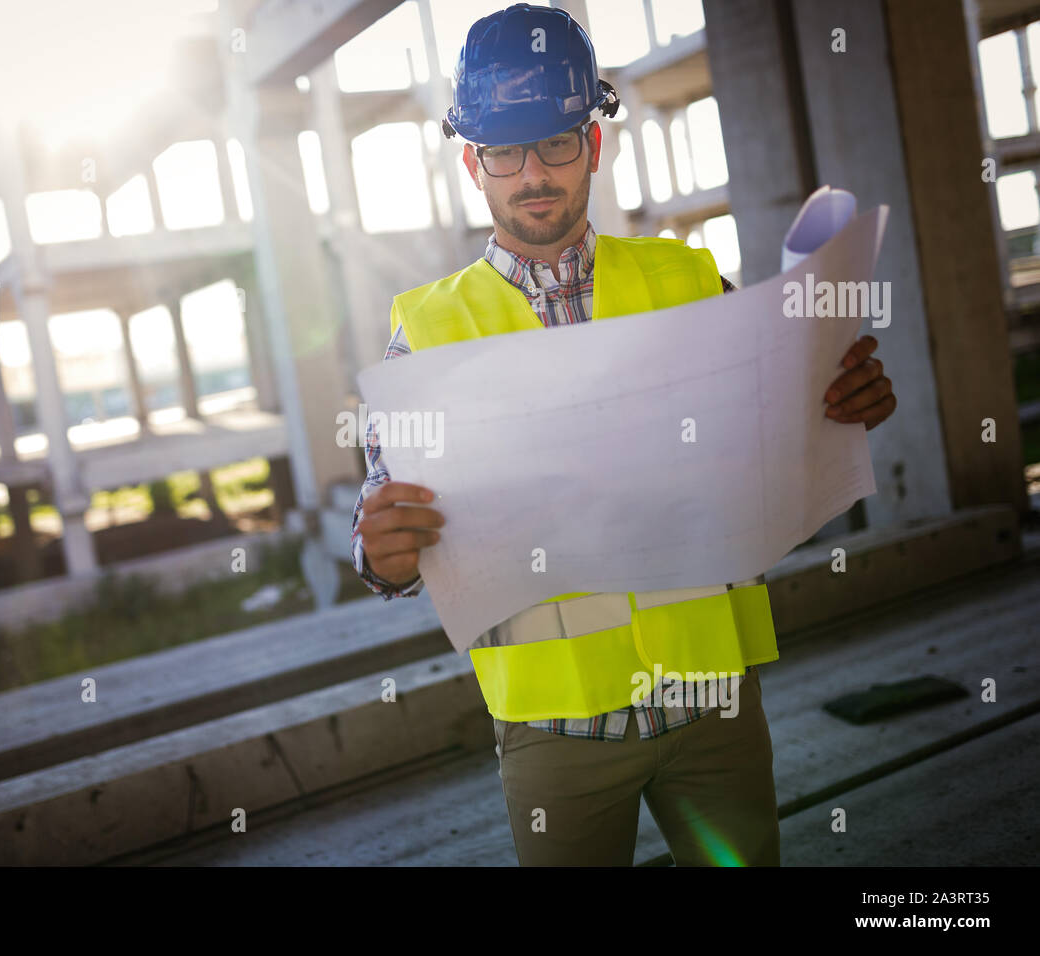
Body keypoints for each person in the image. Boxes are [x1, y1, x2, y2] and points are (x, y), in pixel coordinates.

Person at [350, 3, 896, 866]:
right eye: (504, 152)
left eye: (557, 143)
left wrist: (842, 407)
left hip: (713, 708)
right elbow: (386, 541)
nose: (533, 173)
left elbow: (778, 456)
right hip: (555, 733)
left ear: (594, 145)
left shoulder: (690, 282)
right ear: (473, 165)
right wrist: (382, 555)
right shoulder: (424, 337)